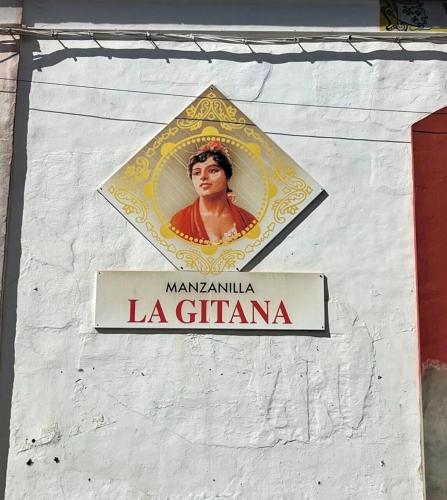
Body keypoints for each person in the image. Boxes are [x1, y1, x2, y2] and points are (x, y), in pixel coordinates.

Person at [170, 140, 257, 245]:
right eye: (197, 173)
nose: (203, 177)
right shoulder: (179, 221)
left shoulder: (248, 220)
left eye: (213, 170)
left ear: (227, 176)